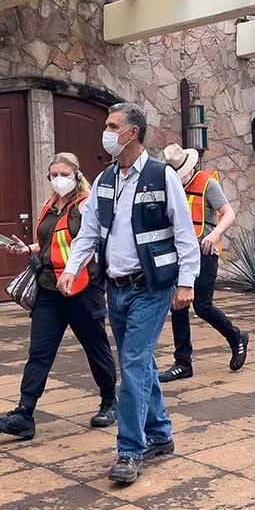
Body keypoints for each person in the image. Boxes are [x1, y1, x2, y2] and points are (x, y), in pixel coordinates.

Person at [61, 103, 201, 484]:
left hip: (151, 287)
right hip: (116, 288)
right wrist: (72, 269)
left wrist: (187, 282)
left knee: (134, 364)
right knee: (141, 364)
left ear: (133, 132)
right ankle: (160, 434)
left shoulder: (161, 176)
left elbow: (185, 234)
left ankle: (129, 450)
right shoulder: (106, 179)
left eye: (111, 126)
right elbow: (89, 231)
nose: (105, 132)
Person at [0, 153, 117, 439]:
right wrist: (28, 249)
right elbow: (50, 242)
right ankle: (23, 414)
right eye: (53, 174)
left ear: (77, 176)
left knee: (96, 348)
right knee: (39, 353)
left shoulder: (86, 205)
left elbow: (91, 242)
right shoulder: (50, 206)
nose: (58, 179)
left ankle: (109, 402)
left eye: (64, 174)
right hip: (49, 288)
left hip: (82, 289)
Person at [158, 145, 249, 382]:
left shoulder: (207, 183)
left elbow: (228, 213)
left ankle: (236, 337)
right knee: (177, 305)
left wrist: (215, 234)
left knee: (203, 306)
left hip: (204, 252)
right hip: (177, 254)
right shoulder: (170, 186)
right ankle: (182, 362)